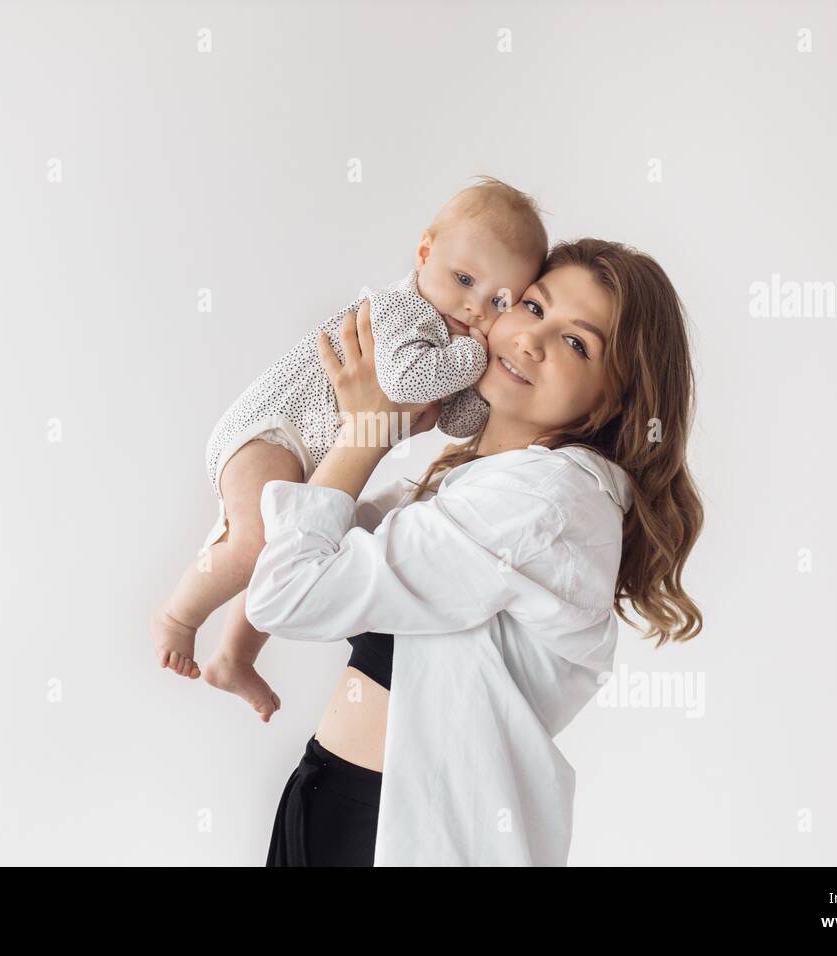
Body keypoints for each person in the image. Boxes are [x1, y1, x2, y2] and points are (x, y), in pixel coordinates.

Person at [247, 238, 705, 866]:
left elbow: (288, 592)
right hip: (333, 798)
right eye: (535, 307)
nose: (532, 341)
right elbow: (296, 545)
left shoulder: (545, 501)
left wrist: (366, 430)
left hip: (396, 829)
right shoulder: (478, 484)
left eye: (579, 343)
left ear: (613, 399)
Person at [150, 177, 548, 722]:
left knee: (283, 548)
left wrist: (481, 394)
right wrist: (476, 359)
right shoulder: (402, 309)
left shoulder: (454, 341)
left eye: (499, 300)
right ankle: (177, 617)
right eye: (463, 279)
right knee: (258, 541)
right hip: (271, 430)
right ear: (425, 251)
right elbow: (407, 384)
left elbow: (455, 419)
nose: (475, 306)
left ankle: (233, 657)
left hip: (316, 448)